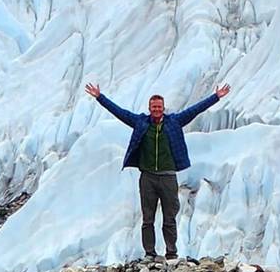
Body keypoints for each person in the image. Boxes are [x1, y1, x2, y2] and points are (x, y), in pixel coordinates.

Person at [83, 80, 231, 260]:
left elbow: (195, 110)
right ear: (149, 108)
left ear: (163, 107)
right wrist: (100, 97)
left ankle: (171, 252)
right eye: (154, 107)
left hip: (168, 177)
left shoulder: (174, 122)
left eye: (159, 107)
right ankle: (150, 253)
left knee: (169, 218)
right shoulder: (140, 122)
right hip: (147, 178)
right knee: (148, 219)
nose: (156, 110)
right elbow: (119, 112)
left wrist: (216, 97)